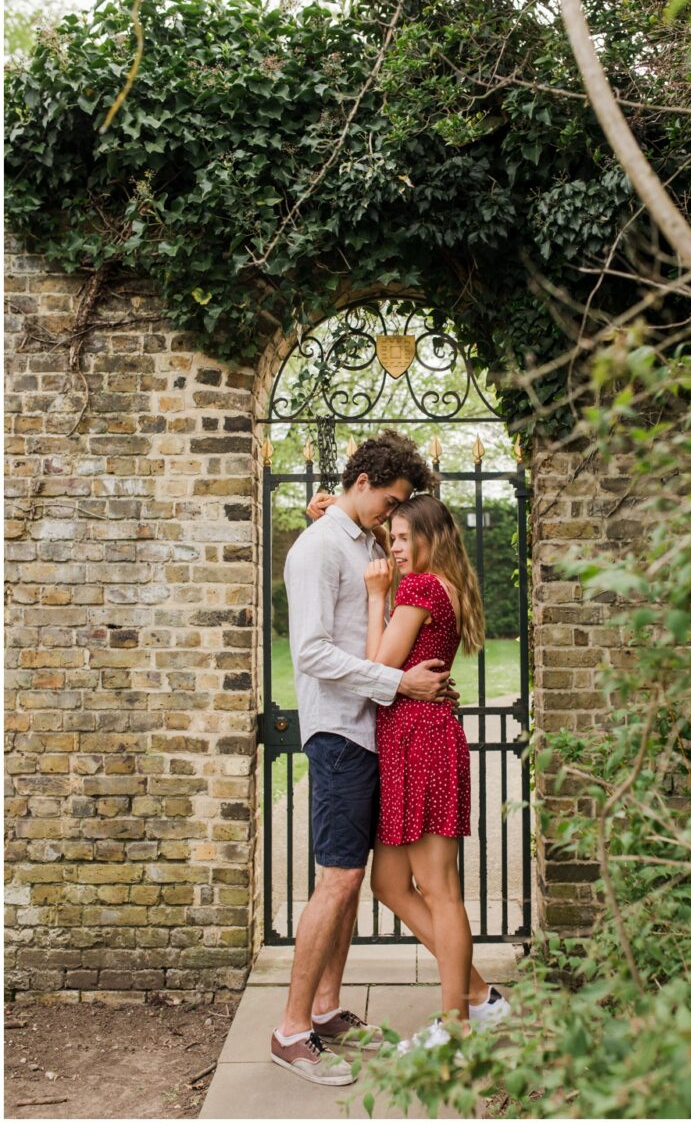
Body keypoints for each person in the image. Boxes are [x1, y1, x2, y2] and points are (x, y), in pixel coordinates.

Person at [271, 431, 456, 1085]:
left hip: (369, 730)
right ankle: (290, 1029)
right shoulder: (320, 547)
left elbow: (372, 582)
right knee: (339, 879)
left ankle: (324, 1010)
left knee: (349, 884)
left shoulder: (346, 535)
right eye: (391, 500)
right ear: (364, 482)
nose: (393, 514)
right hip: (341, 731)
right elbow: (313, 653)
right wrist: (398, 683)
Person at [361, 492, 507, 1051]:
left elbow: (376, 668)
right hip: (413, 742)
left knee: (439, 889)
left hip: (422, 742)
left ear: (428, 537)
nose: (393, 548)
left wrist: (377, 599)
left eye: (402, 538)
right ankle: (479, 996)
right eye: (389, 538)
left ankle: (456, 1027)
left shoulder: (419, 587)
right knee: (390, 883)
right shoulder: (443, 583)